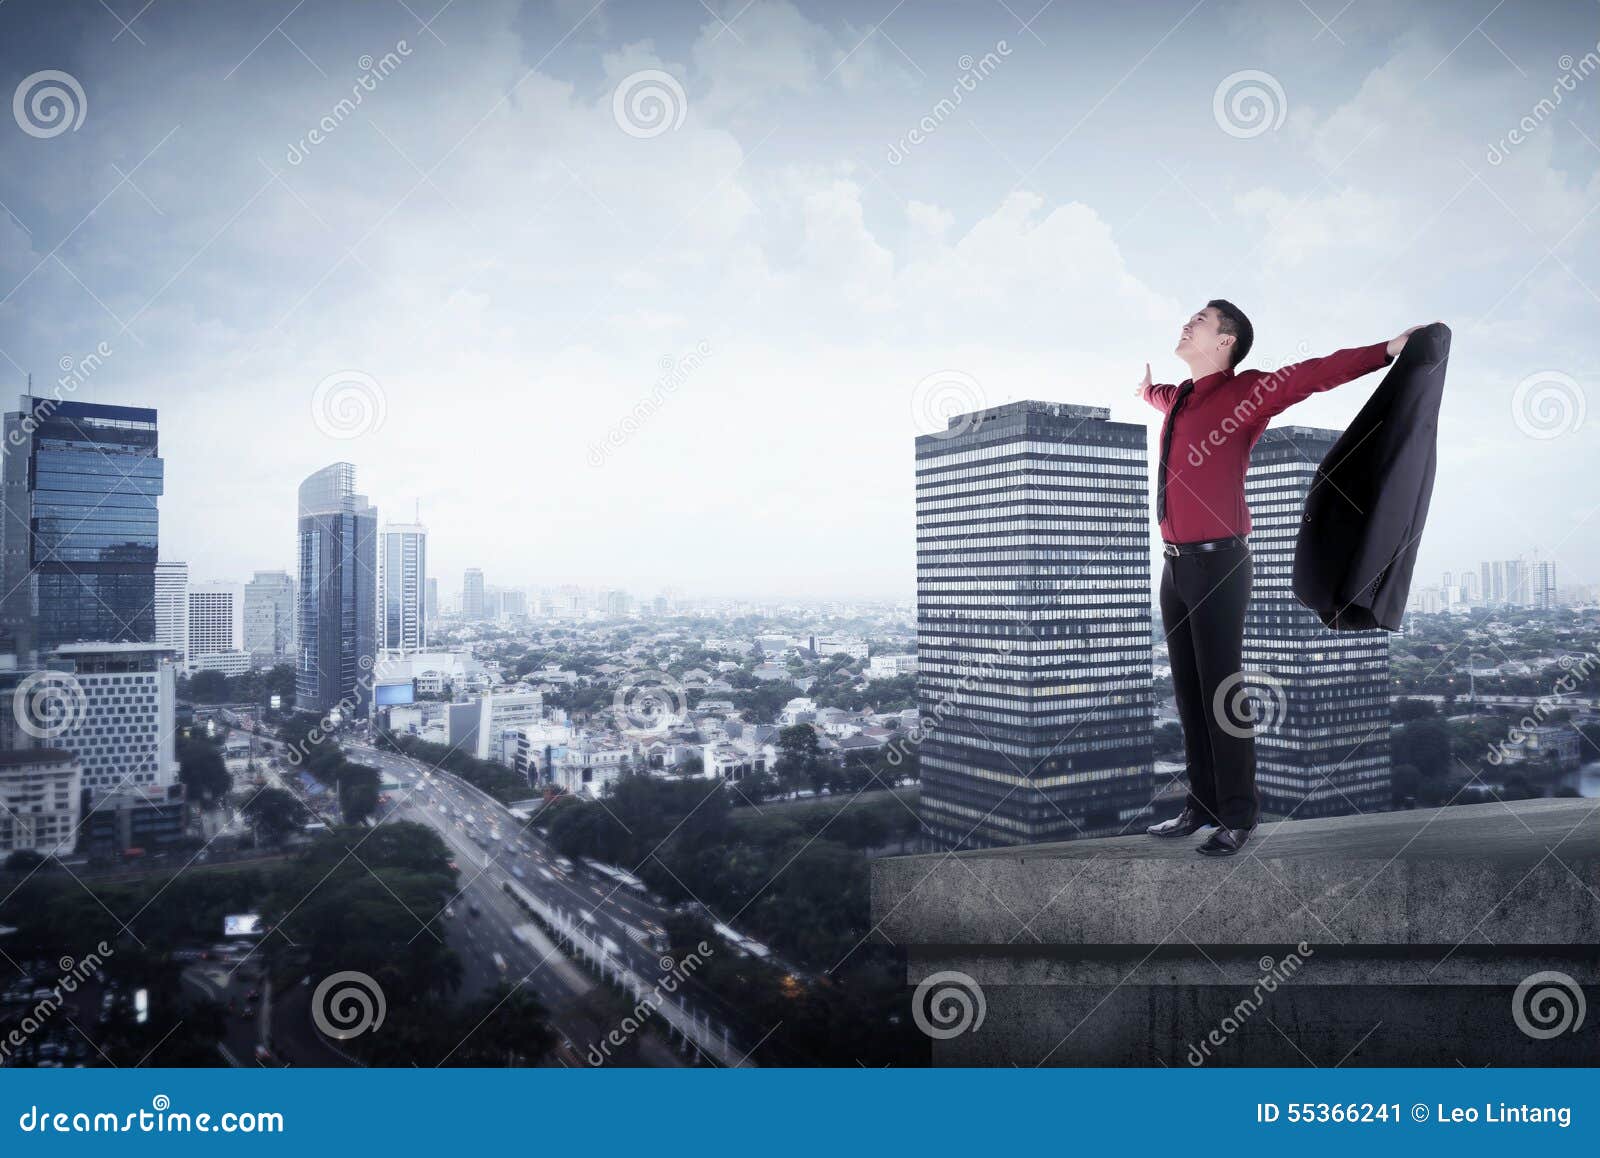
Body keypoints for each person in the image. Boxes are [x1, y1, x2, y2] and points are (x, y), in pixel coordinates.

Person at [1135, 301, 1432, 856]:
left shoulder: (1245, 392)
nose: (1187, 323)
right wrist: (1145, 393)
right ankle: (1200, 804)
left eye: (1199, 319)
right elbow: (1161, 401)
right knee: (1188, 691)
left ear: (1225, 341)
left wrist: (1385, 351)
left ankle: (1238, 816)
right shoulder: (1179, 398)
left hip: (1218, 564)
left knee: (1222, 689)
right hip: (1175, 565)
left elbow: (1313, 374)